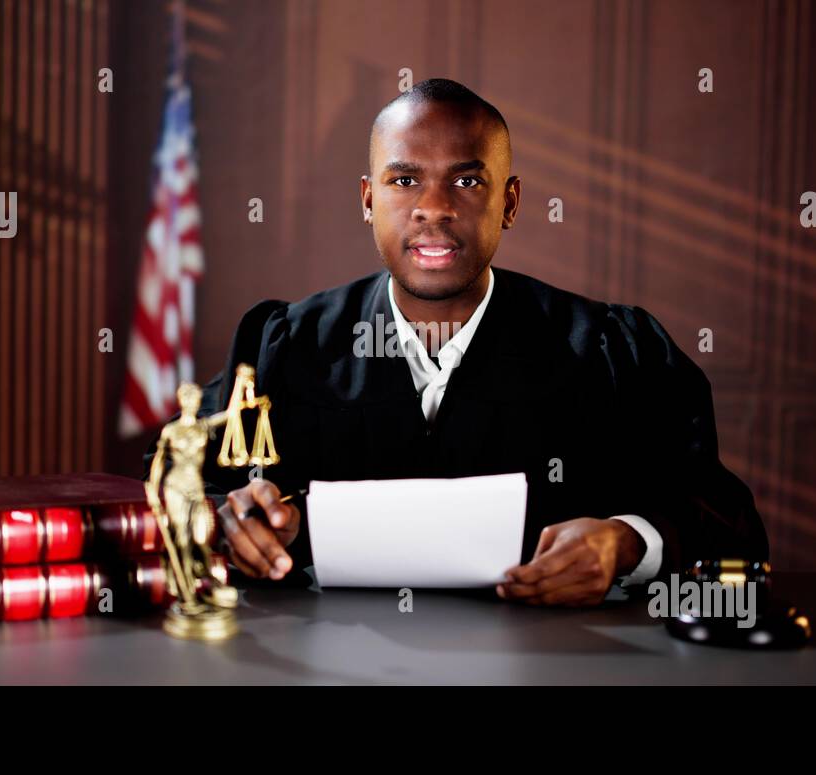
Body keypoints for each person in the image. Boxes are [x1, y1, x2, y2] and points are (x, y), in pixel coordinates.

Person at [144, 78, 767, 607]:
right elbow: (172, 477)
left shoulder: (607, 349)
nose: (433, 208)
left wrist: (628, 541)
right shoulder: (287, 344)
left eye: (467, 183)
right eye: (404, 180)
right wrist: (224, 515)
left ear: (511, 201)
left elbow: (727, 523)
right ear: (368, 199)